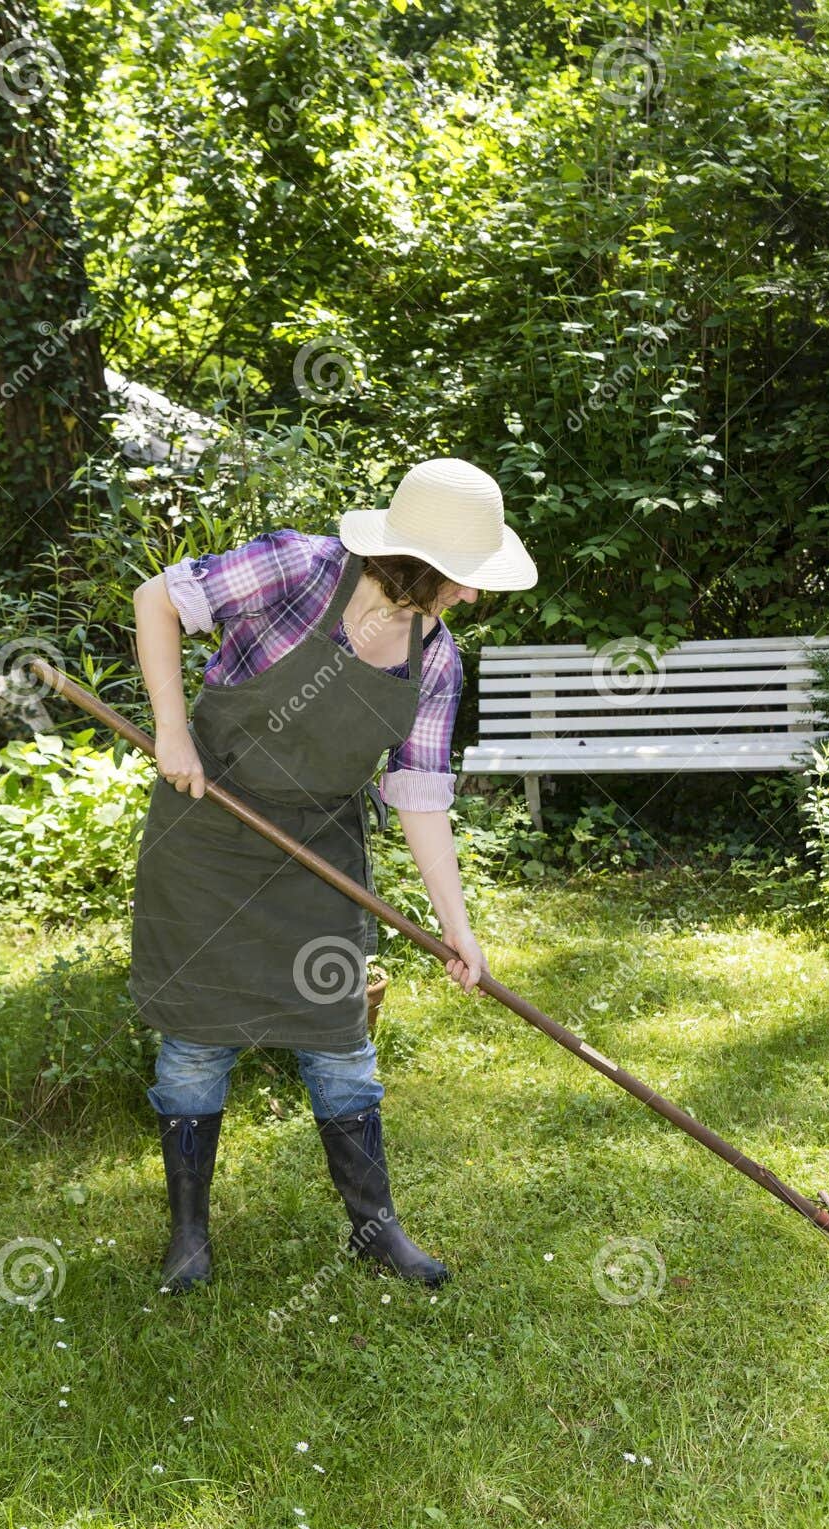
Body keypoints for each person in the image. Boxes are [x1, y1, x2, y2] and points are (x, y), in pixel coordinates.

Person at [128, 456, 538, 1294]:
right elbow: (156, 599)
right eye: (463, 580)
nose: (468, 598)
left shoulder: (437, 663)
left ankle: (374, 1230)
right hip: (208, 828)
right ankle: (189, 1239)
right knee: (196, 1046)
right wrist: (171, 731)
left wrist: (457, 925)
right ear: (425, 568)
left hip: (319, 852)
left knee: (341, 1045)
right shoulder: (301, 567)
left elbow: (419, 795)